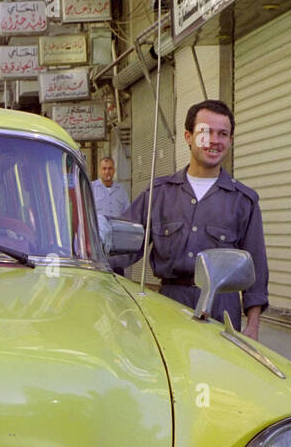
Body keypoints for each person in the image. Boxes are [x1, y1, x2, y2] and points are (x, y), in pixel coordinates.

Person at [122, 99, 268, 341]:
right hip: (168, 304)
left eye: (223, 134)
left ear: (230, 141)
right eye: (205, 132)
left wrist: (253, 325)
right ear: (188, 136)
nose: (214, 141)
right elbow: (119, 247)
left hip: (222, 312)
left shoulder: (244, 201)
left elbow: (257, 268)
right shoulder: (159, 194)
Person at [91, 156, 128, 238]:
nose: (107, 171)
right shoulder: (91, 188)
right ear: (99, 170)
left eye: (110, 168)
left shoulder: (121, 191)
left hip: (118, 237)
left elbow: (128, 214)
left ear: (114, 170)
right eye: (104, 169)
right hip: (98, 237)